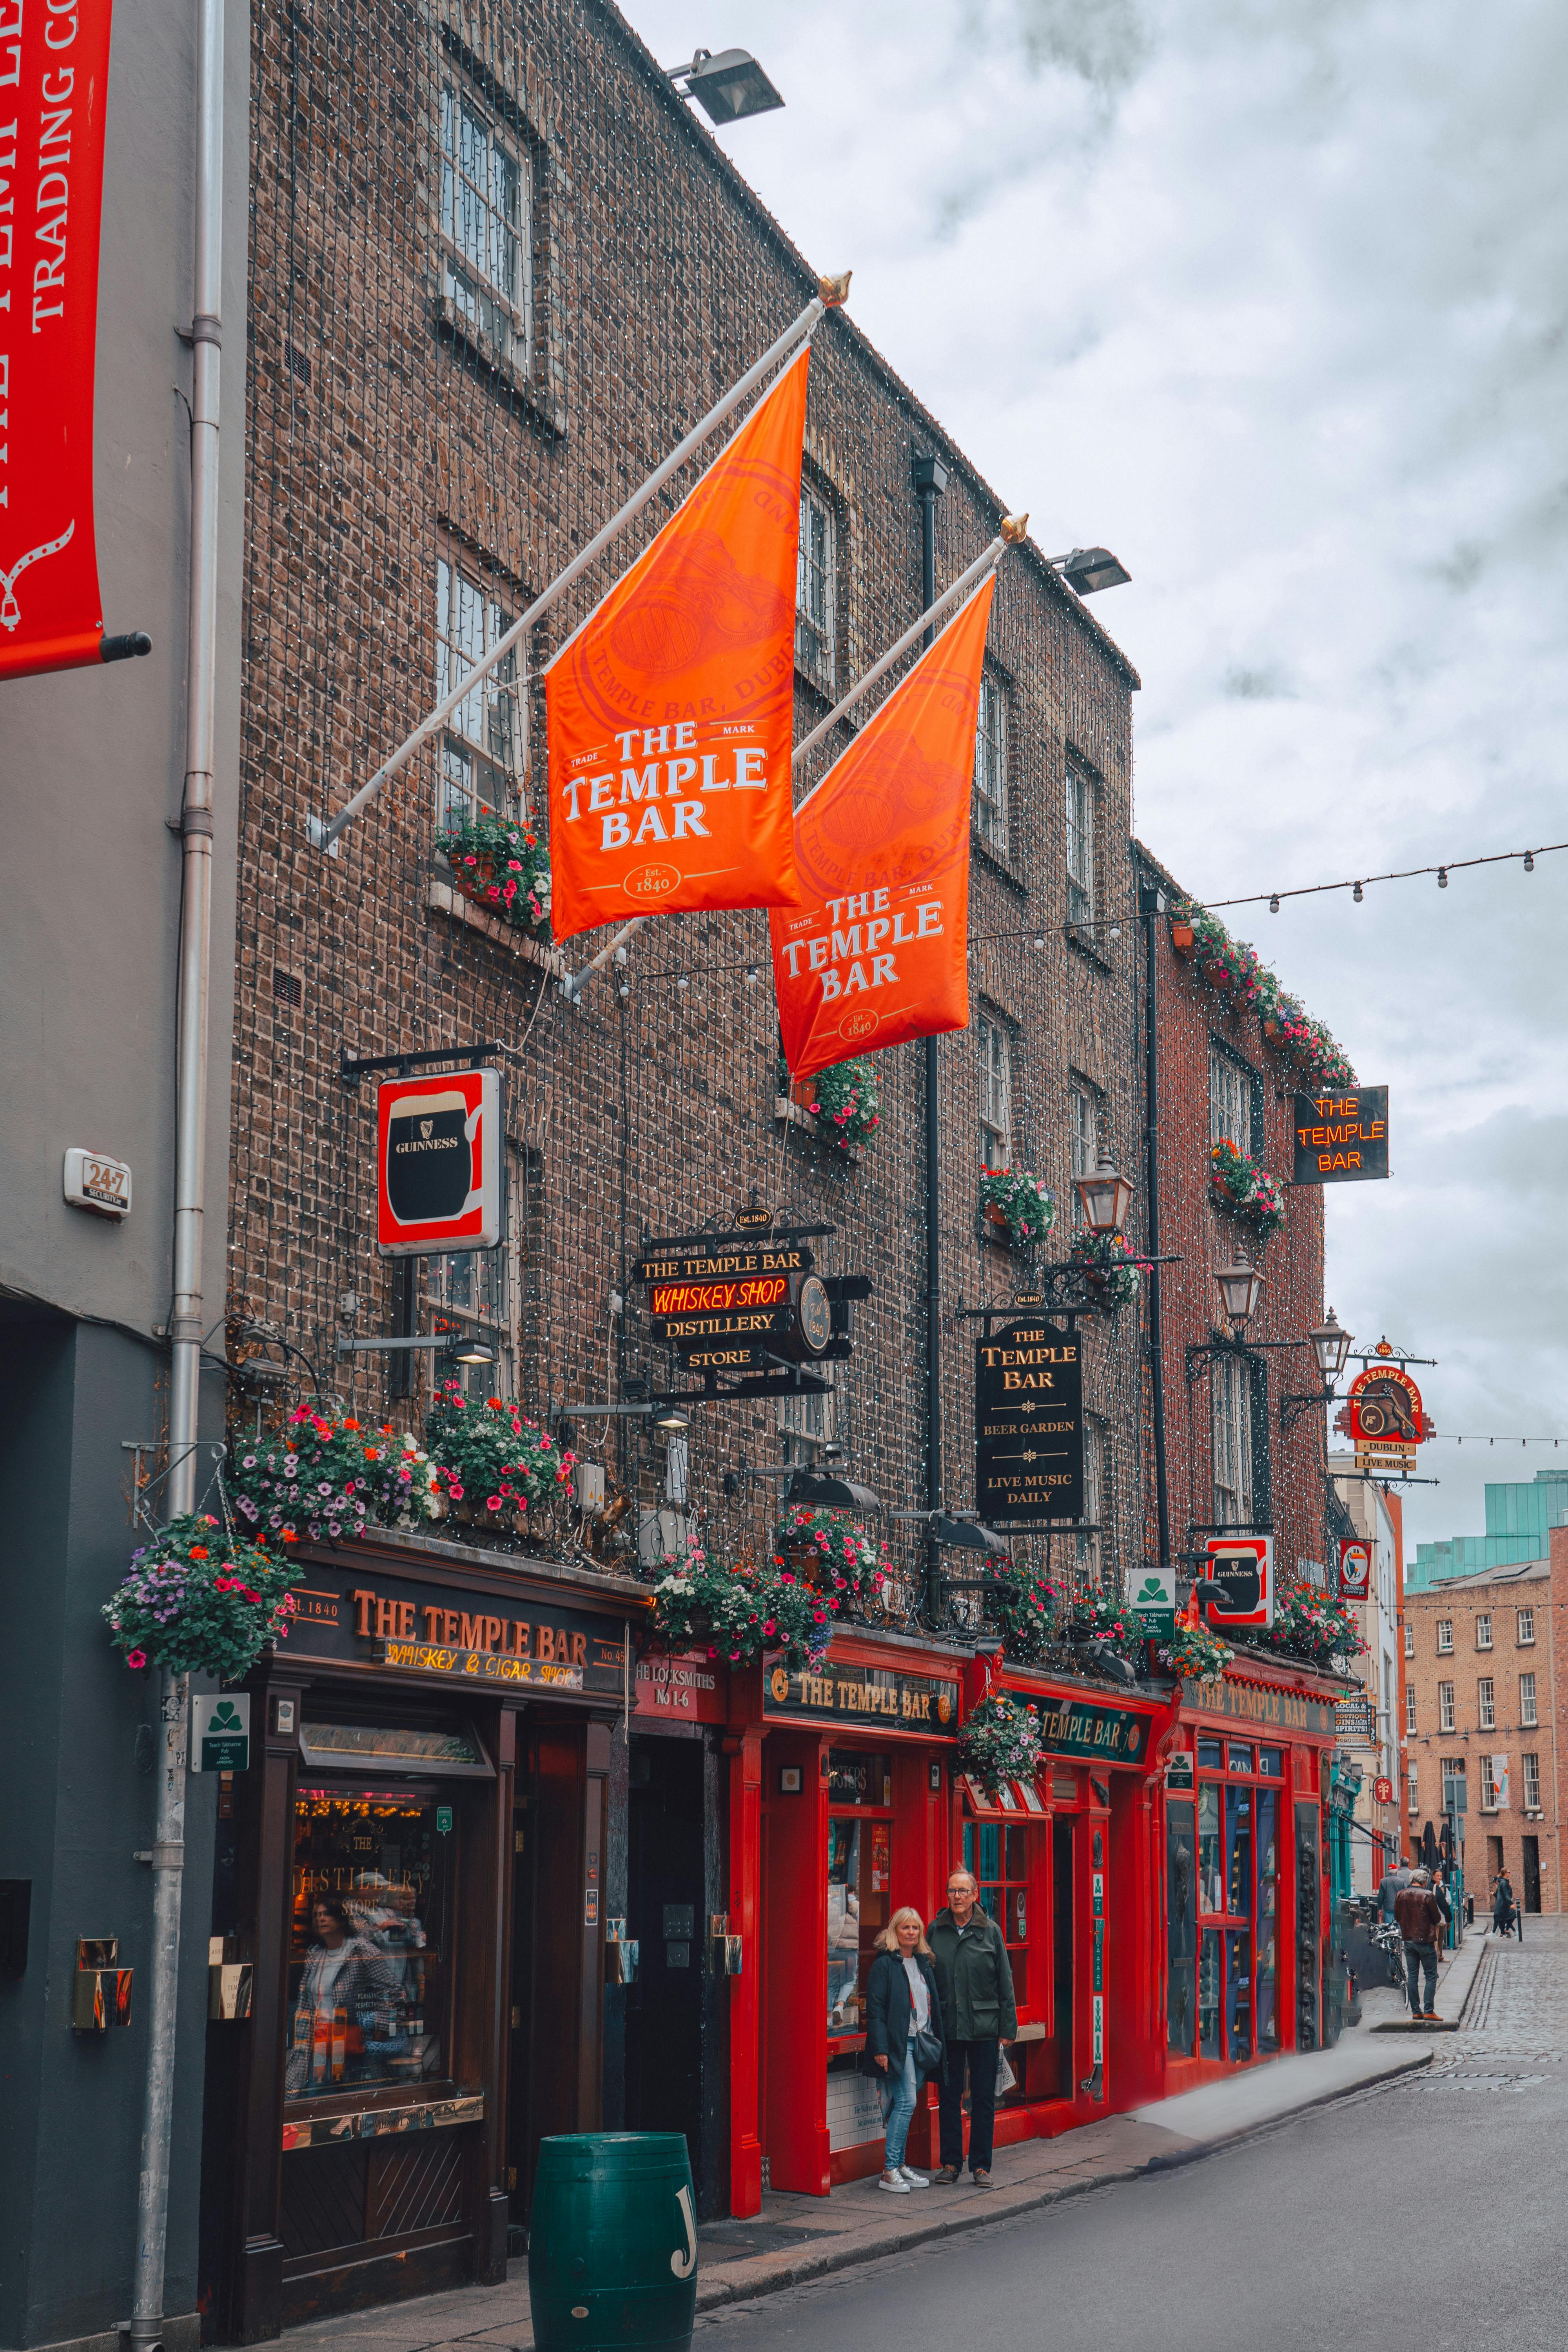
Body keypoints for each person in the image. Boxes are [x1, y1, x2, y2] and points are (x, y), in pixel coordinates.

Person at [926, 1868, 1017, 2189]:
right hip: (948, 2028)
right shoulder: (936, 1931)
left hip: (984, 2028)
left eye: (963, 1891)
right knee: (950, 2097)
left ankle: (981, 2166)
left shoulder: (990, 1932)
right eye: (952, 1891)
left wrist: (1009, 2028)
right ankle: (951, 2163)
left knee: (982, 2099)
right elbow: (925, 1981)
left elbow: (1005, 1983)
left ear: (975, 1895)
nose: (958, 1897)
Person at [861, 1907, 945, 2194]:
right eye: (905, 1927)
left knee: (903, 2104)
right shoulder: (884, 1965)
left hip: (921, 2044)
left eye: (915, 1928)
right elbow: (875, 2012)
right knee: (908, 2103)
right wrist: (881, 2049)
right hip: (898, 2046)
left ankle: (900, 2164)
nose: (911, 1932)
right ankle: (889, 2171)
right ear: (894, 1932)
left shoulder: (923, 1963)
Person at [285, 1893, 402, 2093]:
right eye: (316, 1915)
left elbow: (391, 1991)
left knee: (342, 2094)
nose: (320, 1919)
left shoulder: (360, 1951)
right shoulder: (315, 1953)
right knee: (314, 2091)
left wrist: (380, 2030)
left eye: (327, 1914)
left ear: (341, 1919)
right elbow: (305, 2002)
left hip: (349, 2043)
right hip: (316, 2041)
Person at [1392, 1867, 1444, 2020]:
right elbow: (1436, 1919)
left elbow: (1397, 1916)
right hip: (1426, 1941)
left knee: (1412, 1977)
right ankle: (1429, 2010)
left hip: (1408, 1941)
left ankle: (1416, 2011)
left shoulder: (1400, 1895)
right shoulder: (1428, 1896)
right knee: (1431, 1976)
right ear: (1425, 1881)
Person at [1492, 1871, 1517, 1938]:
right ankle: (1503, 1933)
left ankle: (1503, 1933)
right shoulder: (1503, 1883)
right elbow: (1506, 1894)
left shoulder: (1504, 1883)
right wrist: (1511, 1903)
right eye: (1509, 1872)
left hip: (1504, 1904)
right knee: (1509, 1916)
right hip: (1504, 1904)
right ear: (1505, 1874)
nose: (1510, 1873)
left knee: (1503, 1918)